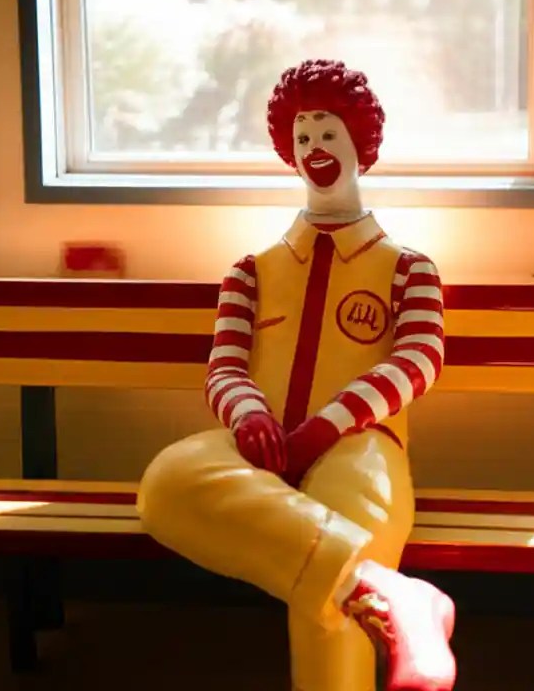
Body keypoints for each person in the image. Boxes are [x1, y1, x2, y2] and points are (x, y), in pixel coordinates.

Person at [137, 59, 456, 691]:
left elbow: (419, 359)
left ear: (360, 145)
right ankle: (393, 595)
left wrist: (331, 424)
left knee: (337, 553)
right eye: (304, 136)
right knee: (167, 482)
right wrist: (248, 415)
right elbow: (225, 363)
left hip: (361, 446)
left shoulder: (408, 269)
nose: (316, 148)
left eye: (329, 133)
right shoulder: (250, 271)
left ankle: (362, 584)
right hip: (255, 441)